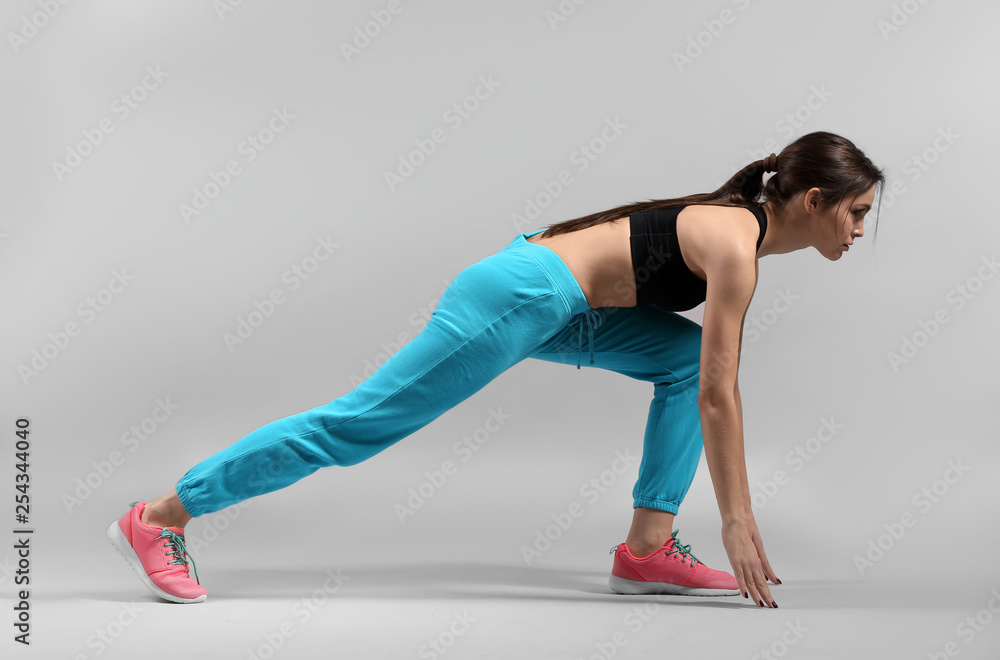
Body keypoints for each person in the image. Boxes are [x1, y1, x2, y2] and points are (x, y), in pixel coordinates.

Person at [106, 130, 885, 609]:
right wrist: (739, 520)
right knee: (356, 428)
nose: (858, 231)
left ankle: (646, 549)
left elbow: (707, 376)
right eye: (856, 213)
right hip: (525, 294)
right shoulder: (735, 246)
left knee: (678, 359)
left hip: (560, 299)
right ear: (815, 200)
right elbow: (723, 397)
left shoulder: (740, 240)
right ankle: (162, 517)